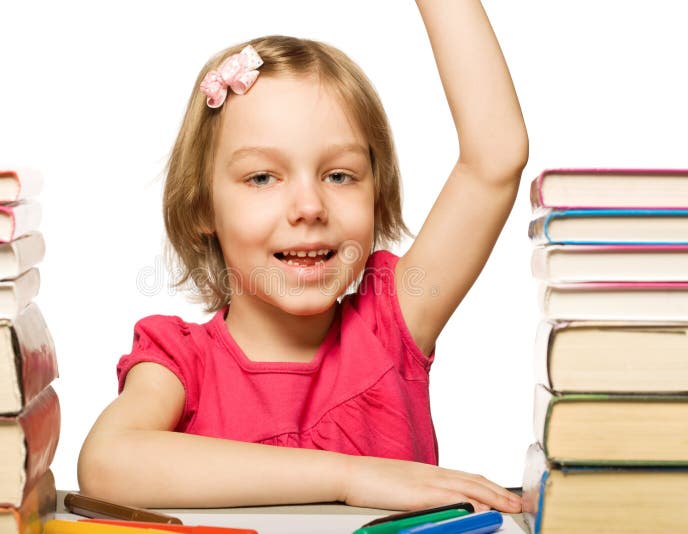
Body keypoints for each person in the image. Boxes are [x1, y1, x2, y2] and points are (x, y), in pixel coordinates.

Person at [78, 0, 528, 513]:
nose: (309, 207)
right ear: (203, 206)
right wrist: (349, 475)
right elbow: (106, 463)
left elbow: (495, 158)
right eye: (262, 177)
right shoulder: (181, 364)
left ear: (376, 195)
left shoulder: (390, 326)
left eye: (339, 175)